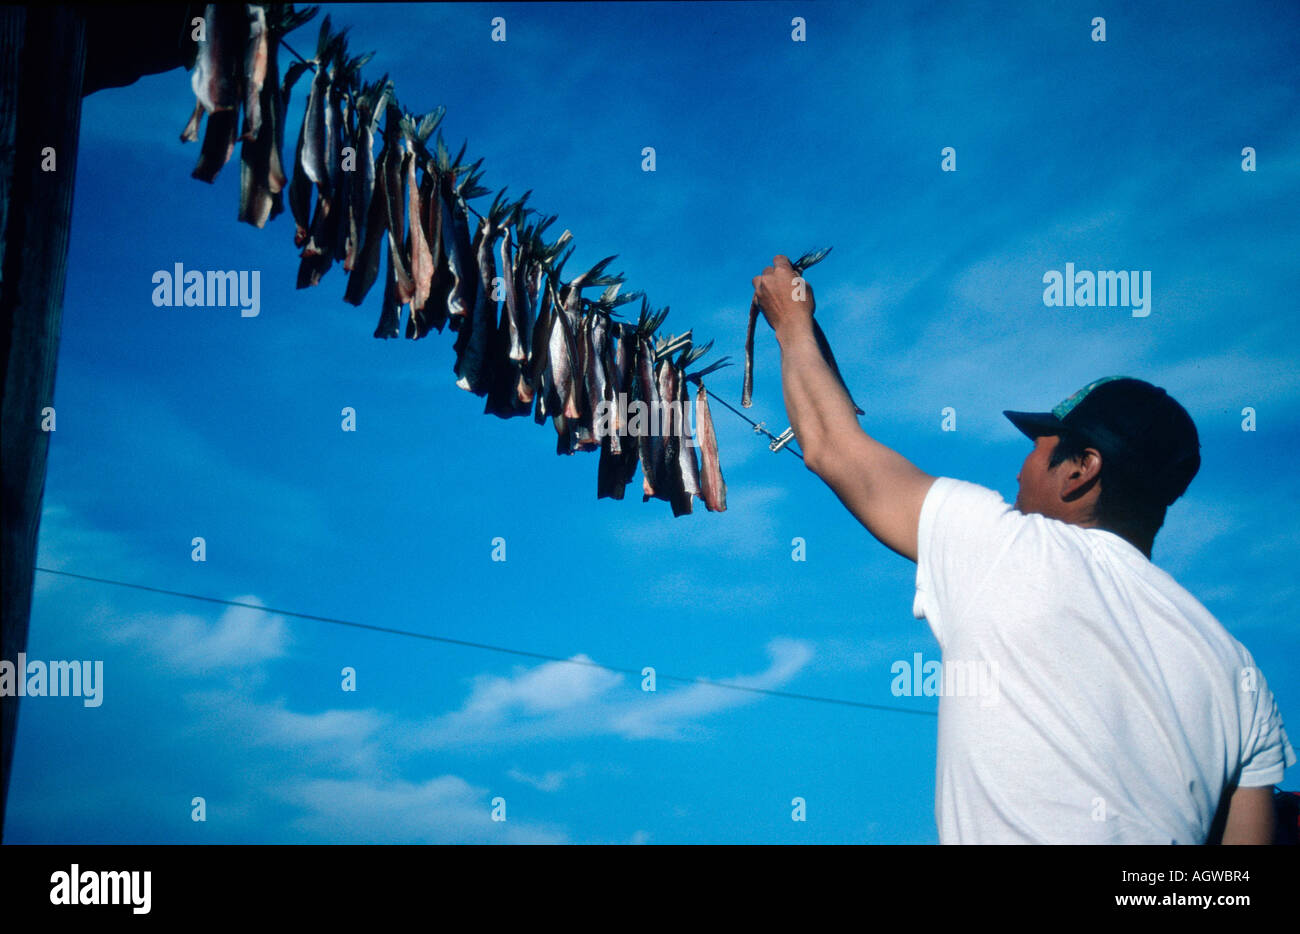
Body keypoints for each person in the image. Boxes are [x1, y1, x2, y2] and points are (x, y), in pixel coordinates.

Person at [753, 255, 1296, 844]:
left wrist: (791, 319)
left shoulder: (1004, 545)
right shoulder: (1236, 668)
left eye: (1040, 445)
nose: (1019, 470)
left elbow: (831, 446)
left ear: (1081, 471)